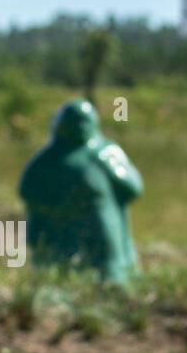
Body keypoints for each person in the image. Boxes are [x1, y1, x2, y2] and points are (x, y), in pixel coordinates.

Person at [18, 98, 143, 283]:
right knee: (60, 275)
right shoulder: (47, 159)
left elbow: (134, 188)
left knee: (110, 276)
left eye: (84, 122)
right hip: (59, 232)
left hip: (102, 231)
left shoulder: (106, 153)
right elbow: (27, 191)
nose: (80, 127)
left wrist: (110, 166)